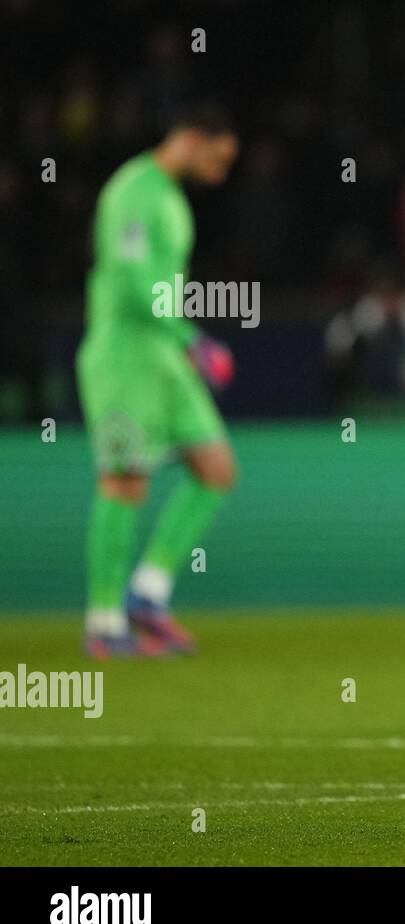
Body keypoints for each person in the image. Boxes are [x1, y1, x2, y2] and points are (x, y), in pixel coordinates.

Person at [76, 104, 240, 658]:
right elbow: (131, 282)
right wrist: (191, 335)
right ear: (192, 138)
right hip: (124, 360)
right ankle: (104, 624)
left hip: (163, 359)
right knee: (125, 481)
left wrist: (180, 343)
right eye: (218, 157)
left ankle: (147, 594)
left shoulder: (167, 195)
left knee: (215, 469)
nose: (222, 171)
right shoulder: (134, 191)